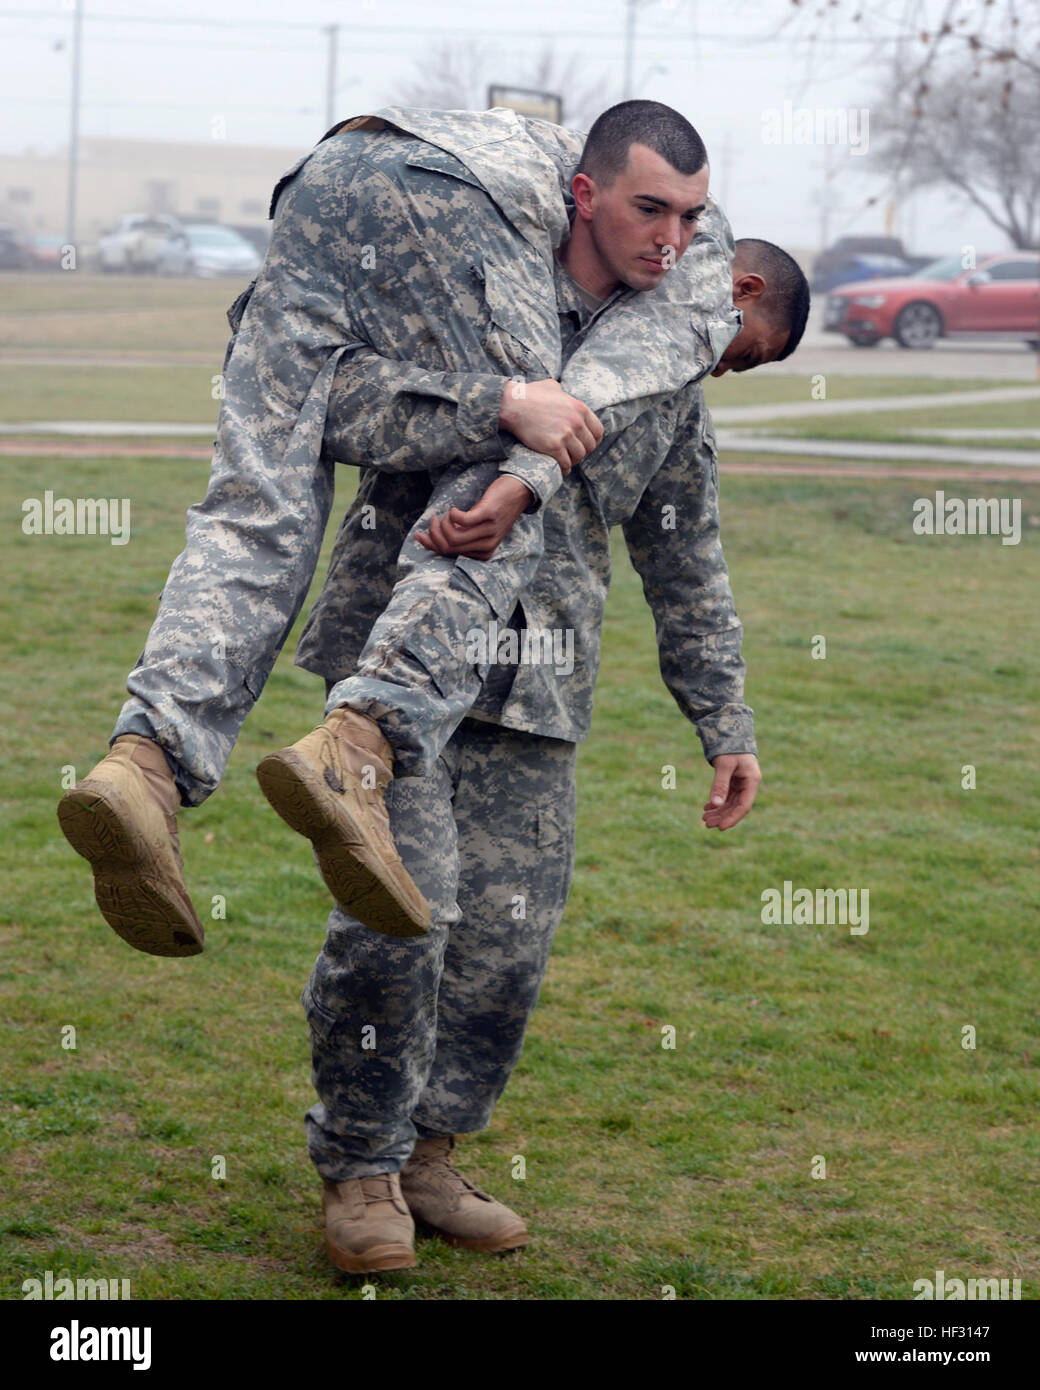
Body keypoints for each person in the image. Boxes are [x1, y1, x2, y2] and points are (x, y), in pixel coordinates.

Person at [56, 101, 747, 955]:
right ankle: (361, 741)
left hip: (326, 174)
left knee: (254, 508)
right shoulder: (709, 274)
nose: (718, 362)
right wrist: (520, 446)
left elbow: (345, 403)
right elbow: (583, 395)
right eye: (741, 346)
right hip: (450, 191)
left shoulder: (628, 223)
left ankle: (143, 762)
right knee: (510, 454)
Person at [290, 231, 808, 1272]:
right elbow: (368, 404)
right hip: (409, 657)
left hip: (537, 690)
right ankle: (359, 1166)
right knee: (403, 912)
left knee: (505, 940)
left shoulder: (669, 401)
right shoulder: (515, 303)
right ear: (734, 288)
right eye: (739, 349)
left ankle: (430, 1155)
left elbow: (685, 556)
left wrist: (726, 724)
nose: (718, 367)